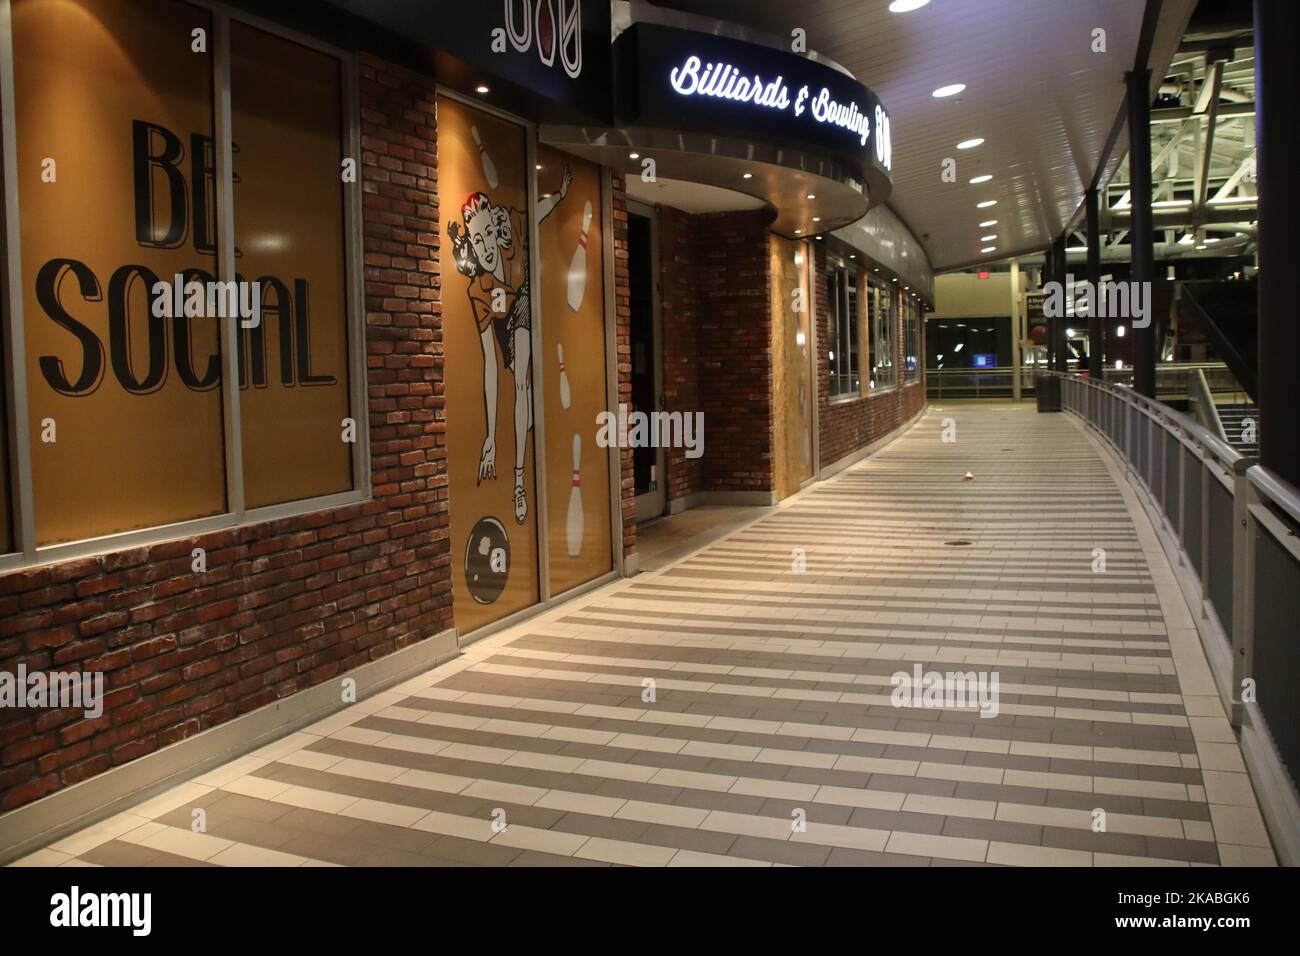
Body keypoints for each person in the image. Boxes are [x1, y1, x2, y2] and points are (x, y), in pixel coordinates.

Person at [447, 164, 572, 524]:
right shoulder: (478, 291)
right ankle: (527, 401)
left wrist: (560, 195)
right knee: (516, 381)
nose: (486, 245)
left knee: (519, 382)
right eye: (478, 240)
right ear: (471, 246)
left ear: (495, 225)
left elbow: (536, 212)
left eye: (488, 233)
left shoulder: (513, 229)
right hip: (504, 328)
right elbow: (489, 362)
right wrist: (489, 436)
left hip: (525, 303)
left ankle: (519, 480)